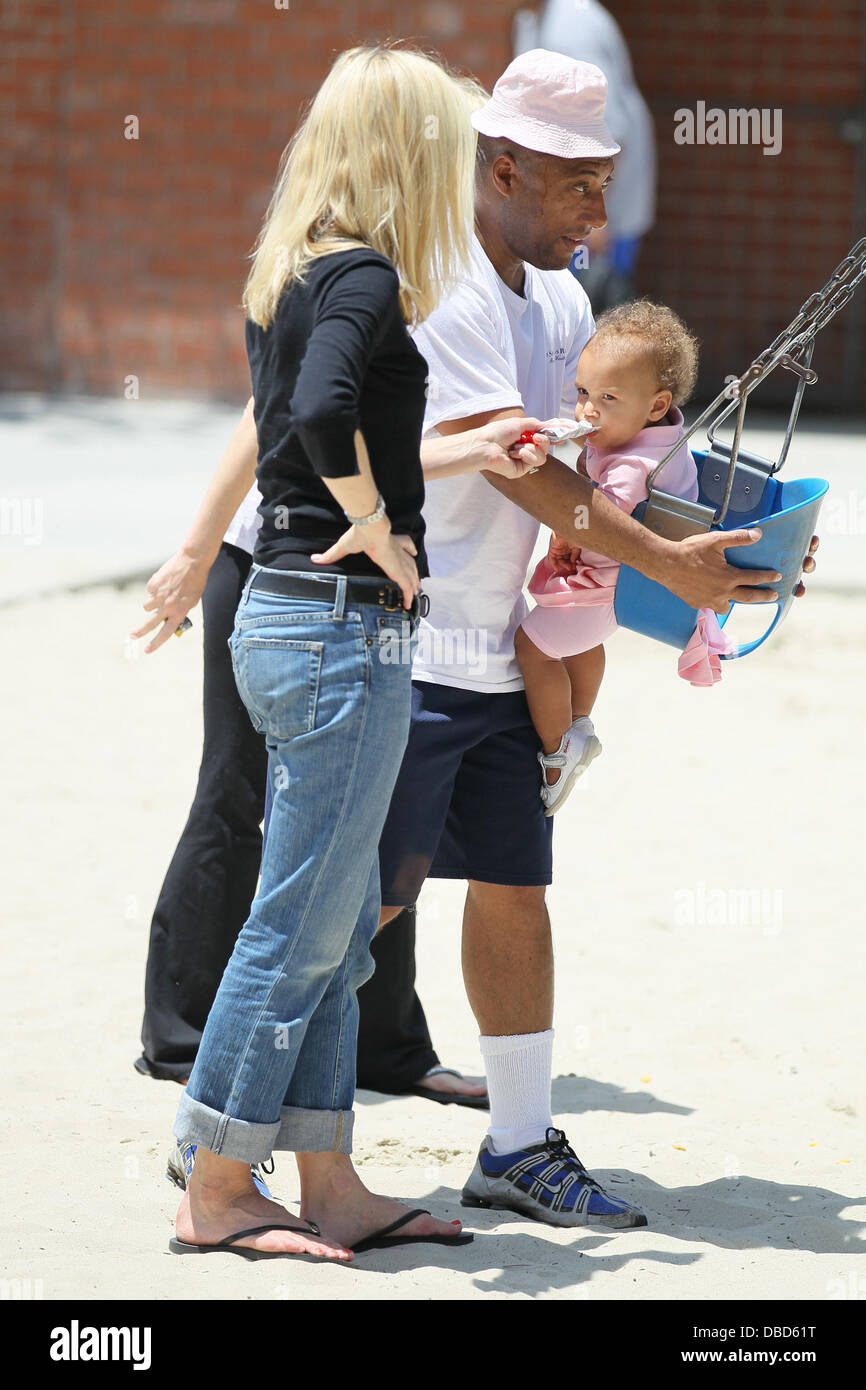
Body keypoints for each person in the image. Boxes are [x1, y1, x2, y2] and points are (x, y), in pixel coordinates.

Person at [137, 49, 818, 1234]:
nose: (601, 212)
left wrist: (738, 548)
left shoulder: (556, 294)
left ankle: (511, 1143)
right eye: (578, 186)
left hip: (495, 649)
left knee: (511, 888)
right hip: (396, 642)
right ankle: (216, 1139)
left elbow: (589, 461)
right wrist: (665, 562)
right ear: (502, 166)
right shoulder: (421, 281)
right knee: (341, 922)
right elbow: (513, 473)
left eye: (606, 181)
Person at [134, 467, 488, 1110]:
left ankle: (385, 1047)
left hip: (369, 580)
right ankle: (184, 1038)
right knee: (234, 791)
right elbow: (263, 422)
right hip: (270, 567)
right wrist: (195, 553)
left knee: (370, 804)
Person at [514, 299, 734, 815]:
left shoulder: (633, 464)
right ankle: (580, 723)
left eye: (608, 398)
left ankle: (556, 752)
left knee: (532, 646)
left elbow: (600, 518)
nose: (588, 410)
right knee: (576, 645)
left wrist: (566, 533)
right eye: (584, 392)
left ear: (656, 406)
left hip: (609, 584)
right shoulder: (653, 437)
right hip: (624, 586)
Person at [517, 0, 657, 308]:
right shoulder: (536, 19)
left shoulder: (571, 26)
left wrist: (591, 218)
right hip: (578, 205)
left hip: (603, 211)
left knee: (592, 323)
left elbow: (608, 128)